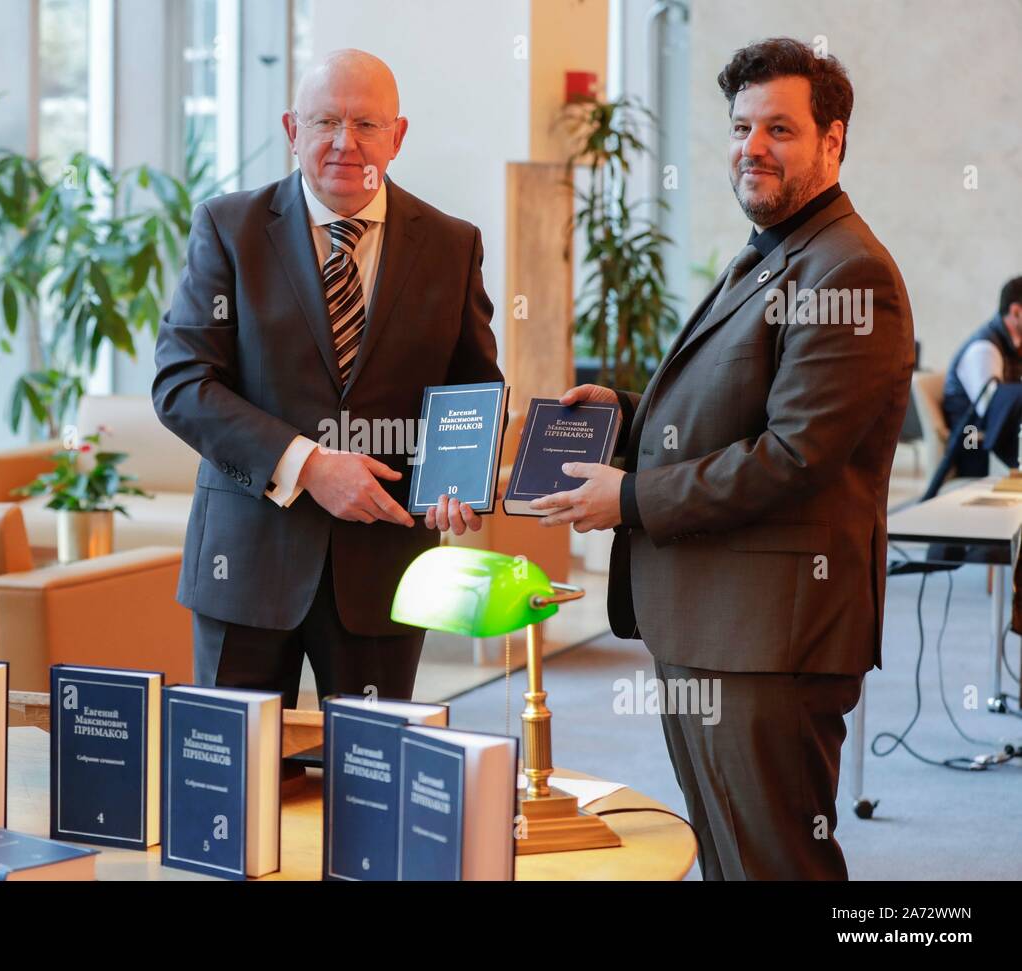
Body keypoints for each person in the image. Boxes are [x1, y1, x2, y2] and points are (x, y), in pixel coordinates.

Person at [530, 37, 915, 879]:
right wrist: (629, 415)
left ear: (833, 141)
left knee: (773, 862)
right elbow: (734, 405)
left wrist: (632, 497)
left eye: (780, 128)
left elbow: (793, 456)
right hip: (715, 628)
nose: (752, 147)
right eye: (742, 127)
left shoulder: (849, 270)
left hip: (770, 642)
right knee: (730, 859)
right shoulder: (774, 251)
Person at [152, 49, 500, 709]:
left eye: (366, 124)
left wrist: (458, 479)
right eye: (325, 122)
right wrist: (308, 465)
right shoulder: (229, 229)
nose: (345, 142)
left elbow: (471, 388)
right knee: (234, 764)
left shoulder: (452, 244)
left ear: (397, 136)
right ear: (293, 130)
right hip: (246, 565)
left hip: (384, 567)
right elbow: (183, 384)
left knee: (372, 764)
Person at [939, 276, 1022, 475]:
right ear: (1016, 312)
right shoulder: (984, 349)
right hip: (974, 450)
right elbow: (995, 412)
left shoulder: (1014, 346)